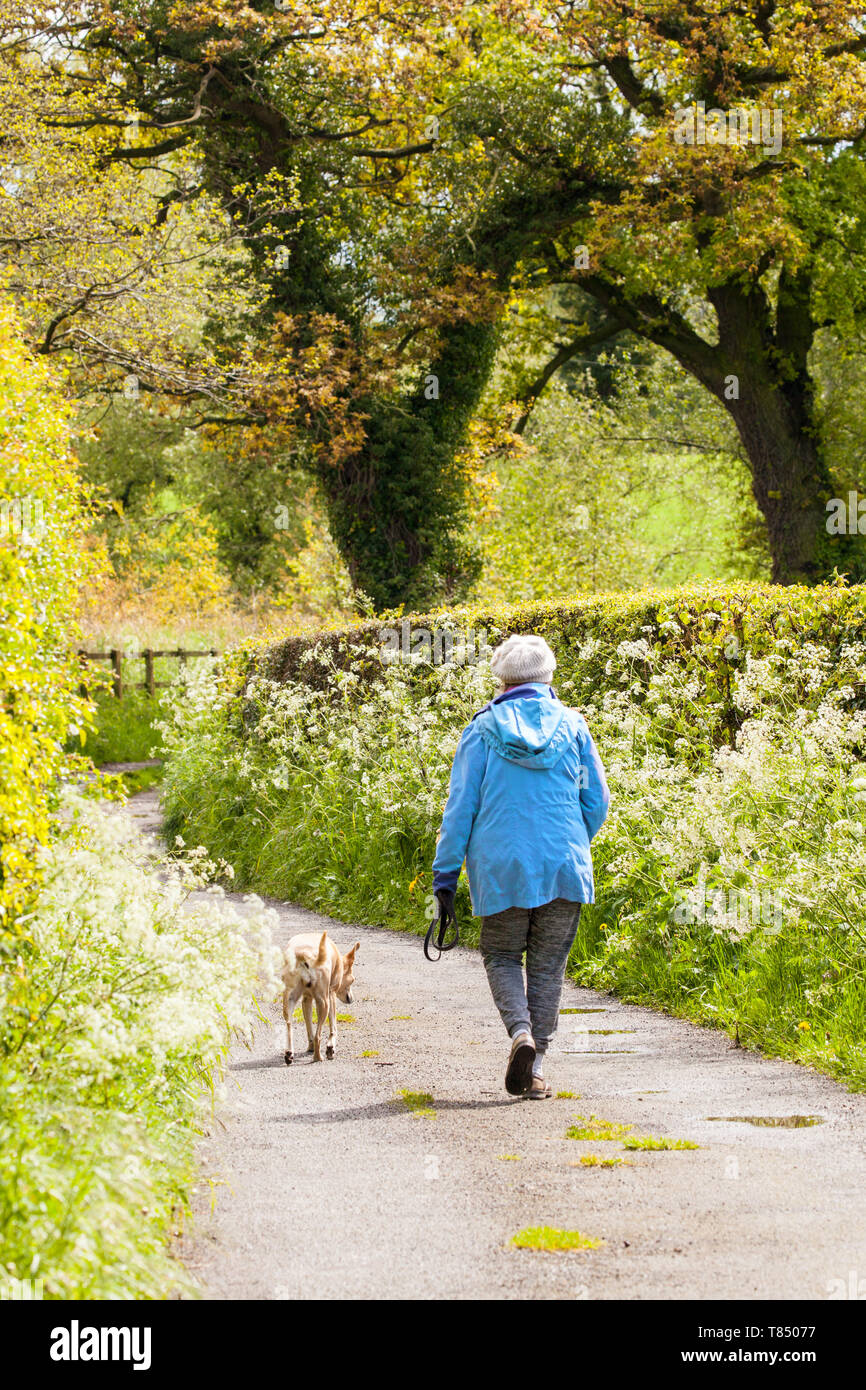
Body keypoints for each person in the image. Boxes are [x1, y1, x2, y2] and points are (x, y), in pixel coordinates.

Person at [432, 634, 610, 1098]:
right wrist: (570, 844)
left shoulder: (481, 730)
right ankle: (537, 1069)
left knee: (503, 954)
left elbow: (460, 808)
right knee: (549, 966)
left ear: (503, 679)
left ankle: (520, 1036)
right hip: (564, 865)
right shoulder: (573, 726)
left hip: (501, 867)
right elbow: (597, 801)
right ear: (548, 676)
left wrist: (445, 875)